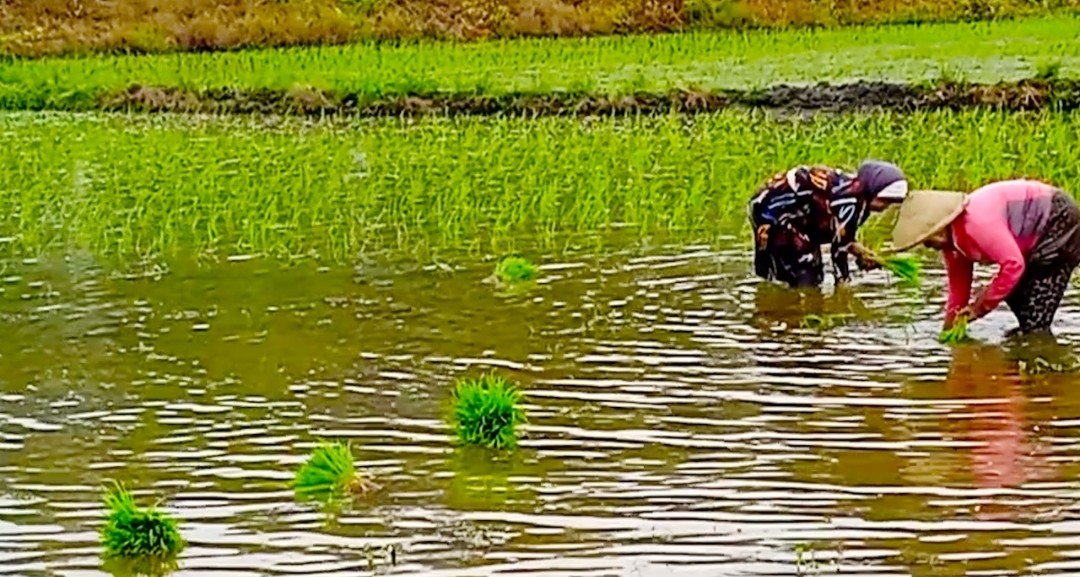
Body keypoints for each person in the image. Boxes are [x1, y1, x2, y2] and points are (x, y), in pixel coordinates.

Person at [891, 179, 1080, 336]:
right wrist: (950, 327)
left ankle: (1041, 353)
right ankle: (1028, 342)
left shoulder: (976, 224)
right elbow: (958, 290)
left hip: (1058, 219)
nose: (927, 246)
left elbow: (1013, 265)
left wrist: (979, 307)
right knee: (1015, 295)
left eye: (927, 240)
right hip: (1036, 237)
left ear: (939, 230)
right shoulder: (952, 245)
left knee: (1036, 307)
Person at [747, 159, 909, 288]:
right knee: (804, 276)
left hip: (793, 216)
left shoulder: (858, 198)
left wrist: (863, 253)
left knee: (809, 276)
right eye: (884, 201)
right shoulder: (849, 201)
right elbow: (839, 251)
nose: (884, 207)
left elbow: (841, 236)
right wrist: (844, 285)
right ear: (873, 190)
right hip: (774, 214)